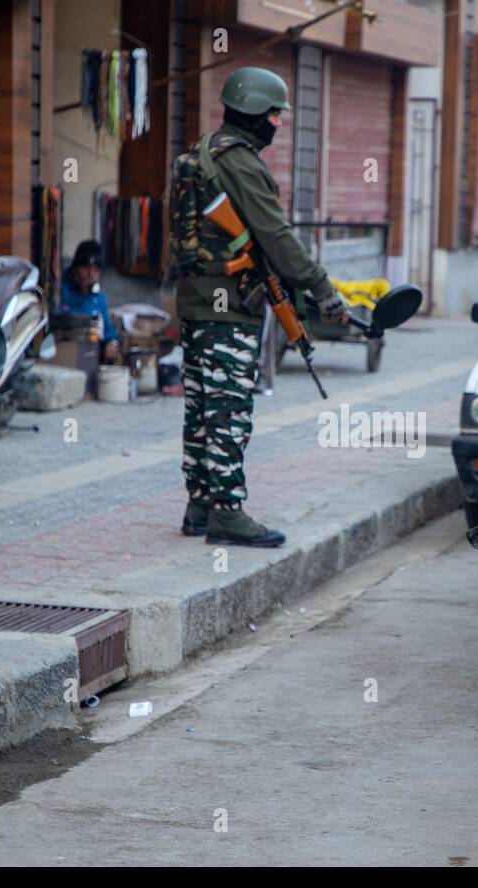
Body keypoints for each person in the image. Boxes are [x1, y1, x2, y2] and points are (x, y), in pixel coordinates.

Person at [170, 66, 349, 547]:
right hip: (226, 312)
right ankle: (227, 513)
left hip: (195, 301)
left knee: (202, 407)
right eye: (274, 115)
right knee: (228, 410)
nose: (278, 124)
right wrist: (321, 288)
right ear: (254, 114)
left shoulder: (201, 151)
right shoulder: (242, 162)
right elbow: (276, 235)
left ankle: (200, 506)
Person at [59, 239, 121, 364]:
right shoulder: (59, 292)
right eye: (86, 268)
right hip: (64, 356)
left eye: (96, 270)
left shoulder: (98, 298)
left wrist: (112, 343)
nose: (90, 274)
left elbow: (108, 329)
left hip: (91, 358)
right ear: (75, 268)